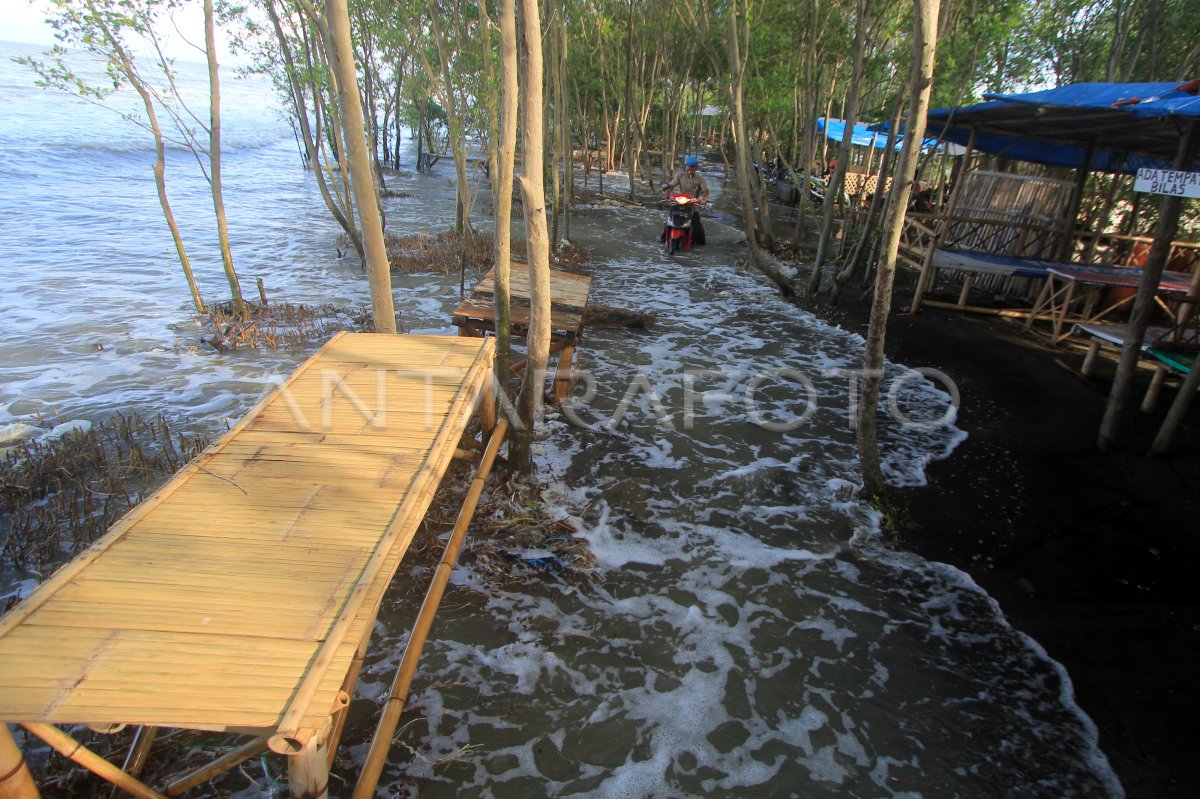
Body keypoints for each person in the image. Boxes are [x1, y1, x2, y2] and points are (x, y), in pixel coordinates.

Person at [662, 155, 709, 245]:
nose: (690, 171)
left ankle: (702, 246)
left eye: (692, 169)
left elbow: (705, 191)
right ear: (685, 167)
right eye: (688, 168)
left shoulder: (700, 179)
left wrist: (704, 199)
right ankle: (664, 241)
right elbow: (671, 186)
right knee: (668, 222)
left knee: (698, 227)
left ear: (696, 168)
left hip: (693, 206)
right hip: (679, 204)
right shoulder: (680, 176)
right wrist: (667, 196)